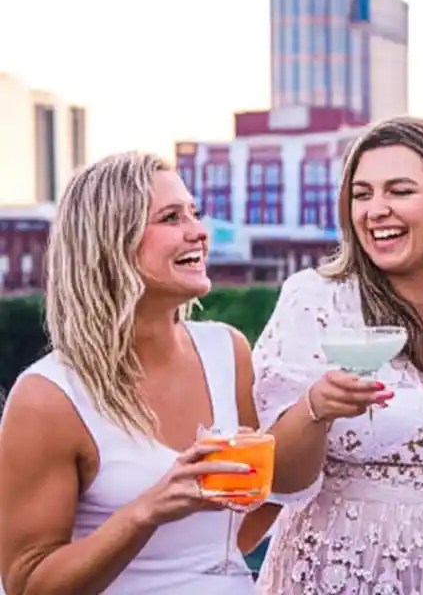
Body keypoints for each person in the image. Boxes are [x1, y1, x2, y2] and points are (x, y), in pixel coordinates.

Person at [251, 117, 423, 593]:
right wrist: (315, 409)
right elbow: (279, 476)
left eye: (398, 191)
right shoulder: (314, 300)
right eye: (362, 194)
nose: (375, 210)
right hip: (332, 565)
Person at [0, 152, 259, 594]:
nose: (198, 231)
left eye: (194, 214)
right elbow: (28, 583)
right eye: (171, 217)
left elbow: (242, 522)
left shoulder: (227, 350)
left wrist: (316, 415)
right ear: (111, 241)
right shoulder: (49, 397)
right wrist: (147, 510)